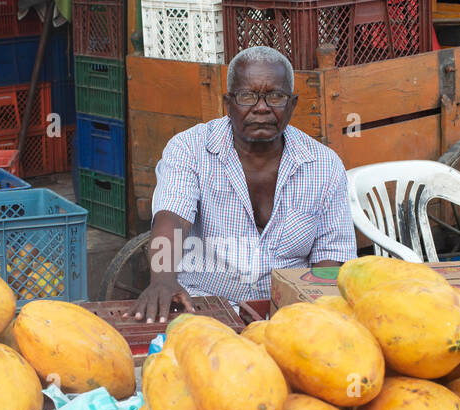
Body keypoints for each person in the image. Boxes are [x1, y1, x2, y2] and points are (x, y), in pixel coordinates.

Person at [131, 46, 356, 321]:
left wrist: (316, 313)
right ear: (228, 103)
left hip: (289, 314)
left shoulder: (324, 165)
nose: (261, 108)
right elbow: (172, 218)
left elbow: (331, 256)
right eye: (247, 96)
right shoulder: (189, 148)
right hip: (203, 309)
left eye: (275, 96)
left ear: (293, 104)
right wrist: (163, 280)